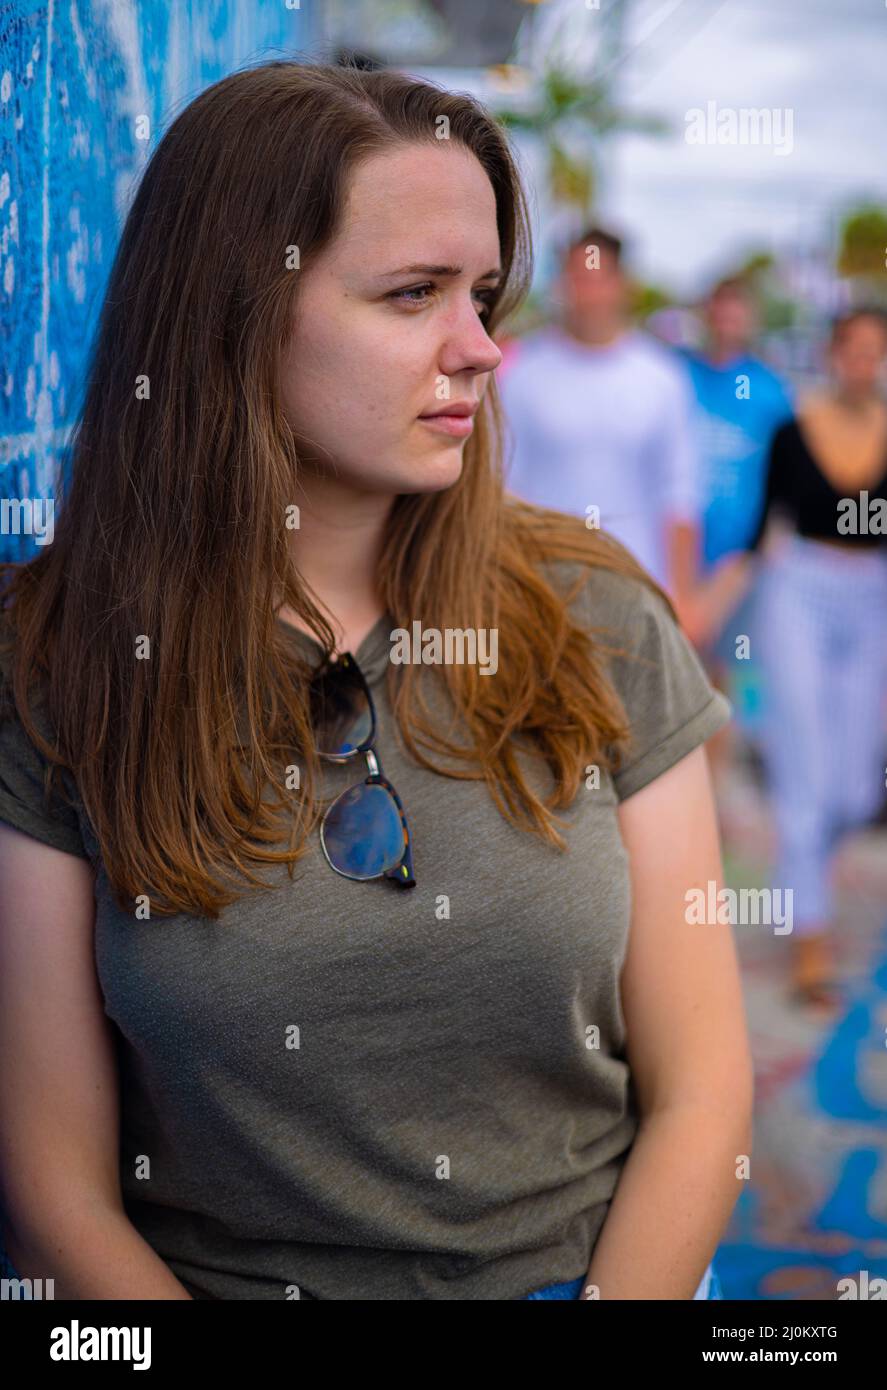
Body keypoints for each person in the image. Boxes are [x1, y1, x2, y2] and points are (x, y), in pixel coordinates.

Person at [0, 59, 750, 1301]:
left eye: (483, 295)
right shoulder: (57, 658)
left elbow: (704, 1084)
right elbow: (49, 1181)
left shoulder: (593, 613)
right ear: (235, 313)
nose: (480, 350)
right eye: (413, 296)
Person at [699, 308, 887, 1009]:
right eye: (853, 350)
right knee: (803, 766)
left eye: (876, 352)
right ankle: (809, 934)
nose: (863, 364)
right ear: (833, 353)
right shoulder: (790, 430)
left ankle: (806, 879)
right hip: (797, 592)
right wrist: (708, 604)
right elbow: (756, 532)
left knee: (854, 789)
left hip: (868, 595)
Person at [498, 224, 702, 607]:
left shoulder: (662, 377)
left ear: (622, 284)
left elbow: (679, 493)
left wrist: (683, 597)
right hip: (543, 588)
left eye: (597, 278)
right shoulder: (522, 373)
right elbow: (504, 483)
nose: (586, 292)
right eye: (576, 277)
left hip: (638, 587)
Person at [679, 276, 794, 789]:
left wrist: (752, 560)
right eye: (718, 309)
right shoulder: (677, 374)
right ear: (707, 313)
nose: (727, 319)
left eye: (736, 310)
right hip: (676, 556)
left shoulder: (769, 390)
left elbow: (784, 486)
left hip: (735, 565)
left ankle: (714, 788)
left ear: (748, 317)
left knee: (720, 679)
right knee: (672, 676)